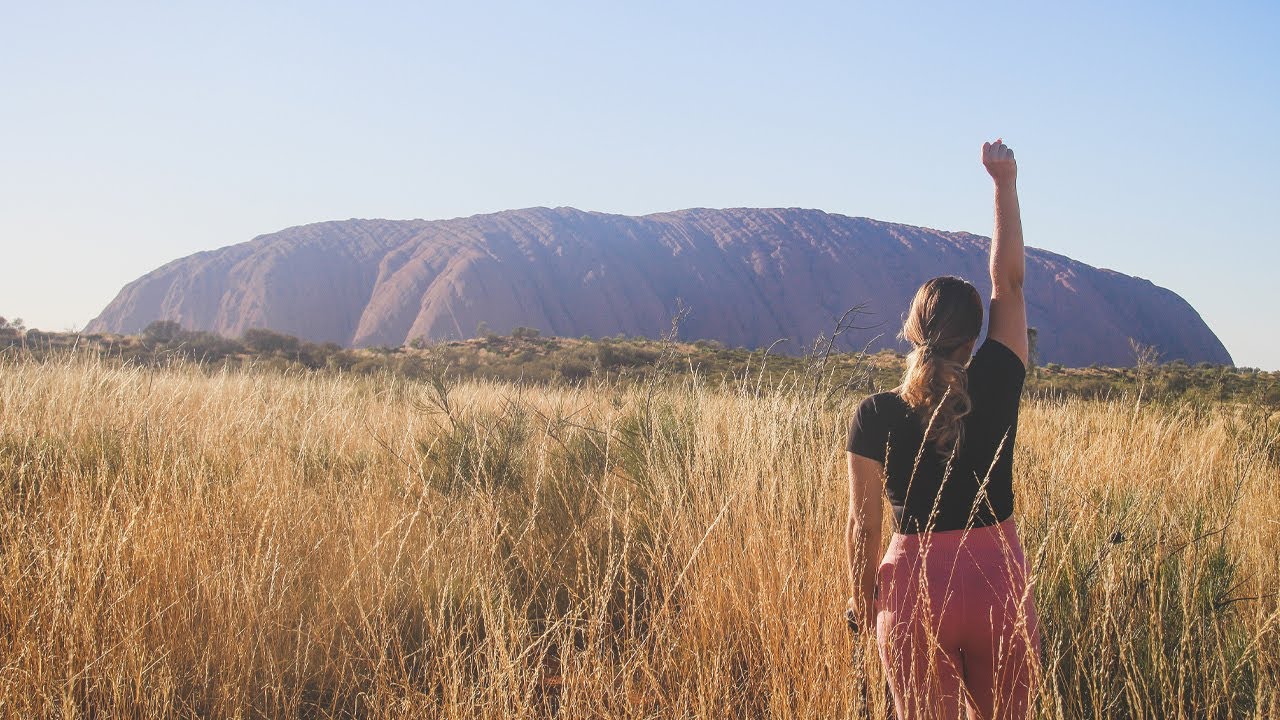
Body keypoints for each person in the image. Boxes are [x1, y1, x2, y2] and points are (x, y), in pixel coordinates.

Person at [844, 139, 1040, 719]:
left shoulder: (874, 413)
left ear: (911, 329)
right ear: (976, 333)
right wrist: (1003, 183)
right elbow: (1011, 284)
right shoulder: (1001, 375)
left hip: (911, 592)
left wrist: (860, 601)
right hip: (998, 582)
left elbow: (863, 525)